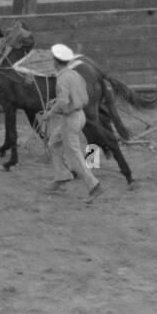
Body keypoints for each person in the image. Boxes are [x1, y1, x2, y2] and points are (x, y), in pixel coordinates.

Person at [41, 43, 102, 202]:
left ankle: (94, 186)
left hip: (70, 119)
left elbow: (63, 102)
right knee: (53, 143)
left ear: (56, 61)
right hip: (79, 115)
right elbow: (80, 96)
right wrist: (58, 103)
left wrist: (50, 113)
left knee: (74, 155)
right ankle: (62, 176)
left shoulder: (62, 79)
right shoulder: (75, 75)